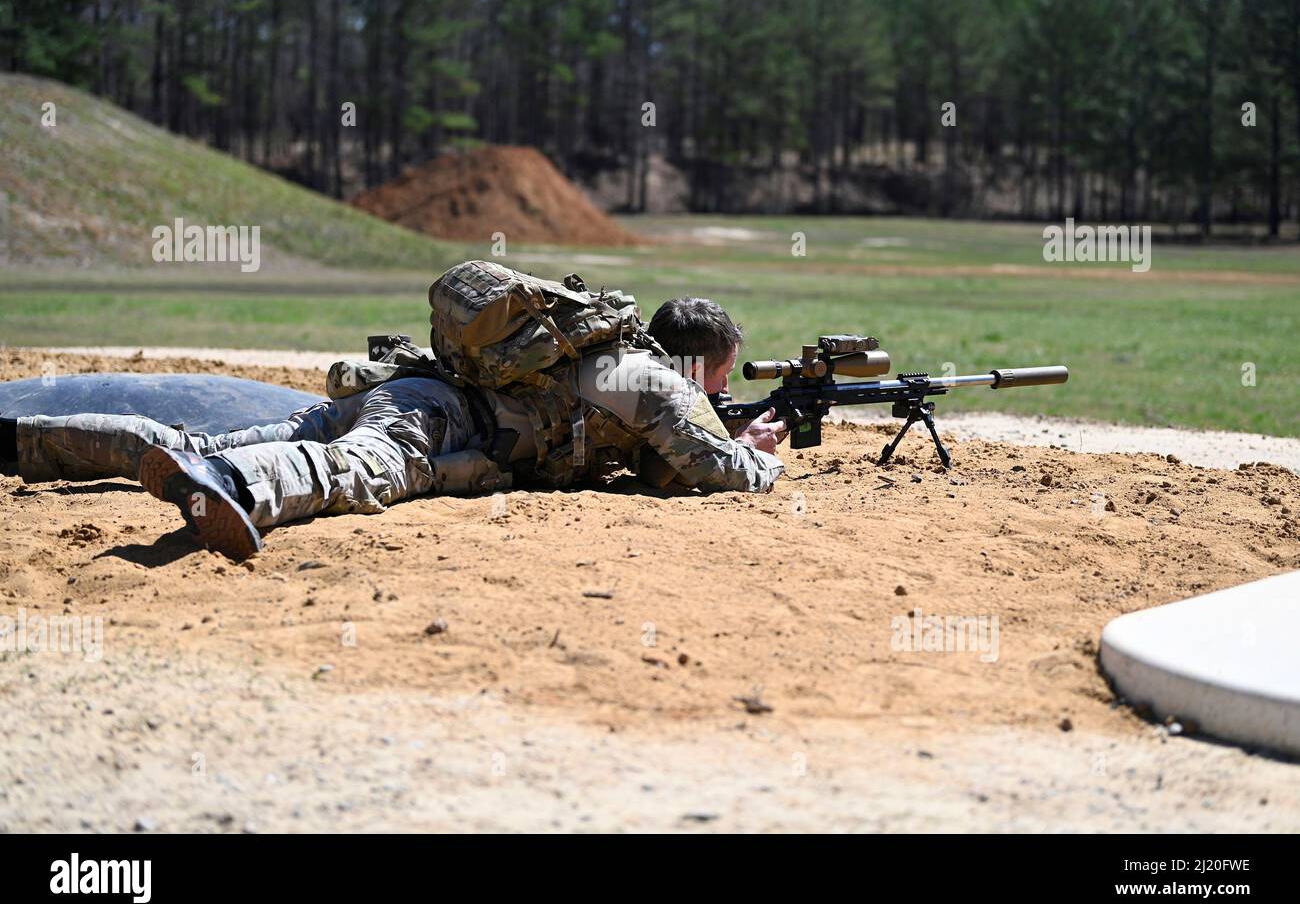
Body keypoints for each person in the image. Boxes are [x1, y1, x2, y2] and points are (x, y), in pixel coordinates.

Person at [0, 282, 787, 561]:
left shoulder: (610, 362)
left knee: (193, 440)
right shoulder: (648, 380)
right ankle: (225, 486)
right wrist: (758, 455)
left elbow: (654, 459)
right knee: (351, 475)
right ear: (694, 368)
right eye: (716, 382)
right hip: (434, 423)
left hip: (413, 390)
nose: (715, 398)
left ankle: (30, 442)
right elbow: (718, 469)